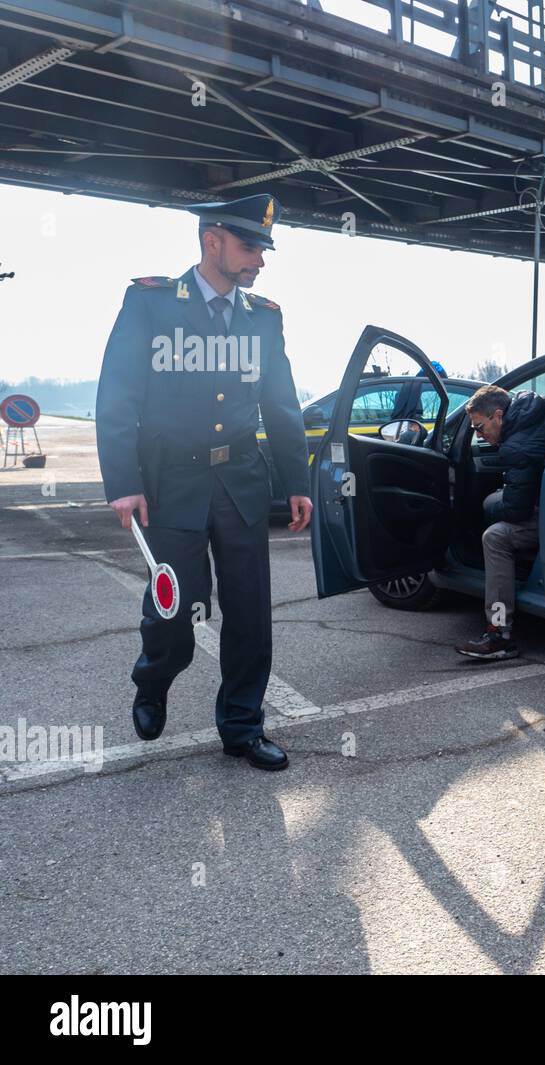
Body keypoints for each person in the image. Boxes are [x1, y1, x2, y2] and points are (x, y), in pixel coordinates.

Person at [96, 193, 311, 771]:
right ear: (211, 241)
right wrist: (123, 479)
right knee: (175, 608)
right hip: (173, 482)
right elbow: (117, 393)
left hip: (241, 480)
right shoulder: (151, 304)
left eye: (263, 250)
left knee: (249, 612)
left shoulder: (263, 317)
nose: (259, 261)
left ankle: (242, 726)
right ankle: (153, 678)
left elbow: (281, 402)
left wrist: (298, 478)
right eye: (249, 247)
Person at [454, 385, 545, 660]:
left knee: (494, 536)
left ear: (498, 415)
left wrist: (489, 507)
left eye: (480, 427)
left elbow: (516, 511)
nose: (478, 435)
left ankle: (498, 634)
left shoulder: (516, 445)